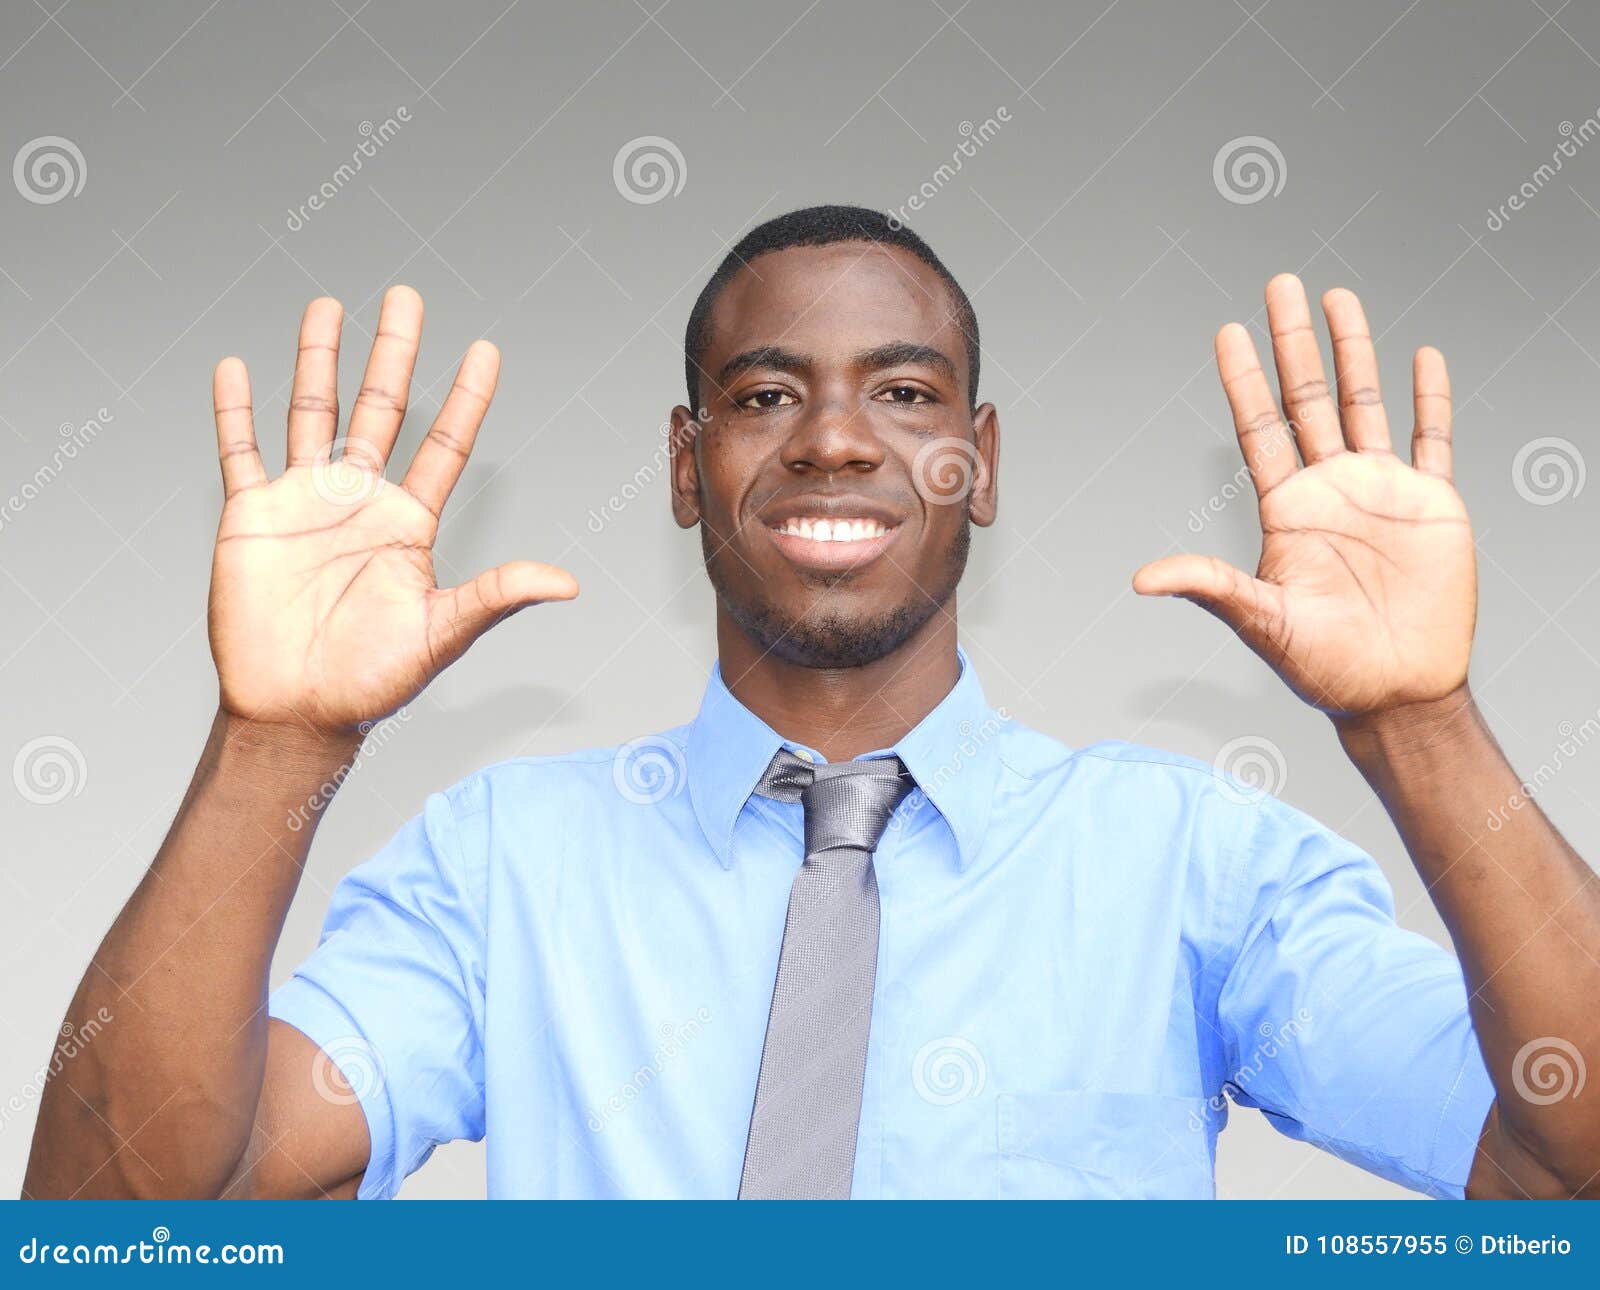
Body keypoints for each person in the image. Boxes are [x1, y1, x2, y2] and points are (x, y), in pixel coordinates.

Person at [24, 206, 1600, 1200]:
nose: (835, 441)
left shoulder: (1194, 860)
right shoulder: (504, 863)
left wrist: (1419, 722)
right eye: (765, 393)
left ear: (977, 463)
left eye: (904, 393)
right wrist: (277, 742)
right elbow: (130, 1227)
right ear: (682, 463)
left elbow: (1572, 1165)